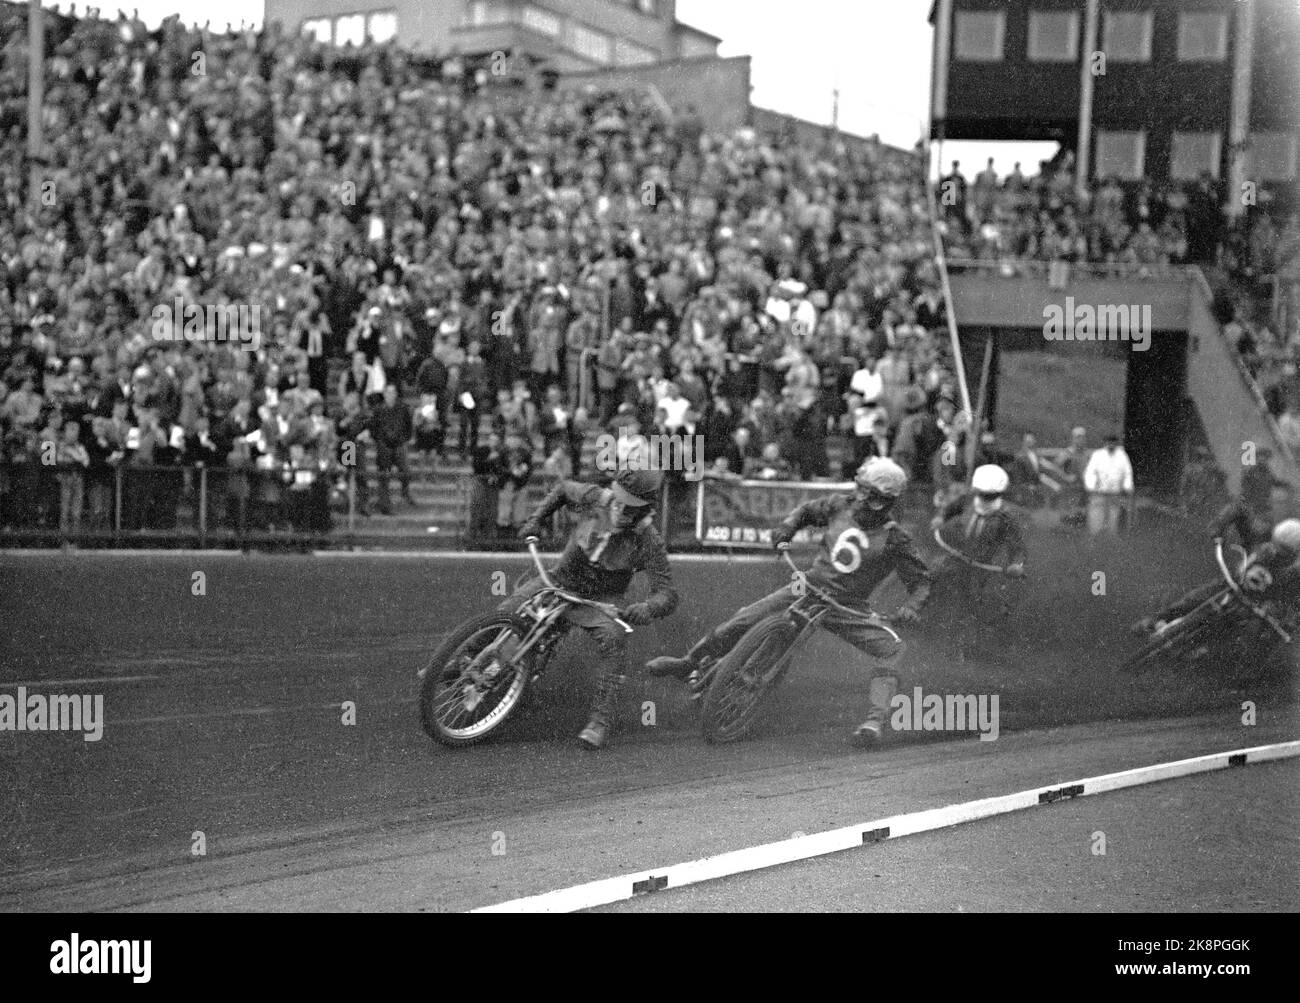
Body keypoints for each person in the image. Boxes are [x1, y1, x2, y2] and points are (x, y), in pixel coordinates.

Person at [646, 457, 932, 747]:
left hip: (847, 608)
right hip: (807, 586)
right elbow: (805, 511)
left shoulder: (896, 538)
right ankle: (689, 662)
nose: (857, 498)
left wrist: (912, 607)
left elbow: (921, 581)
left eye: (866, 495)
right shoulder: (838, 505)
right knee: (745, 617)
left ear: (882, 501)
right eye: (858, 490)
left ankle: (874, 721)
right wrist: (786, 529)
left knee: (893, 649)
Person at [508, 467, 678, 750]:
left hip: (598, 602)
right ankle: (463, 660)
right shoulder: (596, 496)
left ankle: (599, 721)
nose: (620, 508)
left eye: (630, 506)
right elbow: (562, 487)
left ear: (646, 509)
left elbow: (668, 593)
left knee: (614, 639)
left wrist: (648, 607)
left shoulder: (649, 540)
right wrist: (536, 519)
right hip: (559, 579)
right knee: (509, 610)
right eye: (620, 499)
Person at [1133, 518, 1300, 637]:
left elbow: (1292, 601)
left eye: (1283, 549)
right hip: (1233, 585)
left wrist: (1285, 617)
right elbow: (1238, 510)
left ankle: (1236, 675)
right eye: (1275, 544)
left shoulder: (1294, 572)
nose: (1275, 551)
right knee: (1196, 598)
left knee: (1249, 634)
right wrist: (1218, 530)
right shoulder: (1262, 539)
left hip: (1257, 606)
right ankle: (1155, 620)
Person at [929, 464, 1028, 662]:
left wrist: (1017, 565)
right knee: (934, 583)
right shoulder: (965, 501)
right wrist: (940, 518)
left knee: (978, 605)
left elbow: (1017, 548)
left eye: (990, 496)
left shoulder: (1007, 516)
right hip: (956, 558)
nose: (985, 499)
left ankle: (975, 648)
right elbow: (947, 511)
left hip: (983, 567)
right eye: (982, 494)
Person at [1083, 433, 1134, 535]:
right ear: (1105, 443)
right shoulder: (1097, 455)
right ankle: (1095, 537)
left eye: (1113, 442)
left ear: (1116, 443)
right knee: (1096, 520)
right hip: (1098, 493)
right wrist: (1090, 485)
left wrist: (1128, 486)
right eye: (1108, 442)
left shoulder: (1122, 456)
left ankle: (1111, 538)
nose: (1110, 445)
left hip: (1115, 493)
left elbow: (1127, 472)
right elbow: (1090, 471)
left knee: (1113, 520)